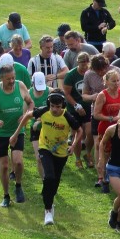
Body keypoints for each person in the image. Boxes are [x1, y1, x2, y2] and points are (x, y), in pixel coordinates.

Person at [0, 57, 34, 207]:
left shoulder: (20, 86)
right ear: (1, 78)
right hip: (0, 133)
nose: (11, 81)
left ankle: (18, 186)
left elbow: (30, 102)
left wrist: (26, 114)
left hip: (17, 130)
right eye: (8, 79)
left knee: (18, 162)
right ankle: (6, 195)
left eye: (13, 77)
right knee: (4, 165)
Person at [32, 90, 81, 225]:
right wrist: (16, 133)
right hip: (45, 147)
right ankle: (47, 210)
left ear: (63, 106)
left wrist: (73, 145)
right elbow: (27, 115)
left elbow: (79, 130)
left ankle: (50, 200)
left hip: (61, 152)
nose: (54, 109)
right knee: (49, 176)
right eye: (52, 106)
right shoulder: (43, 111)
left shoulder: (67, 117)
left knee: (55, 181)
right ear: (49, 104)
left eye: (58, 107)